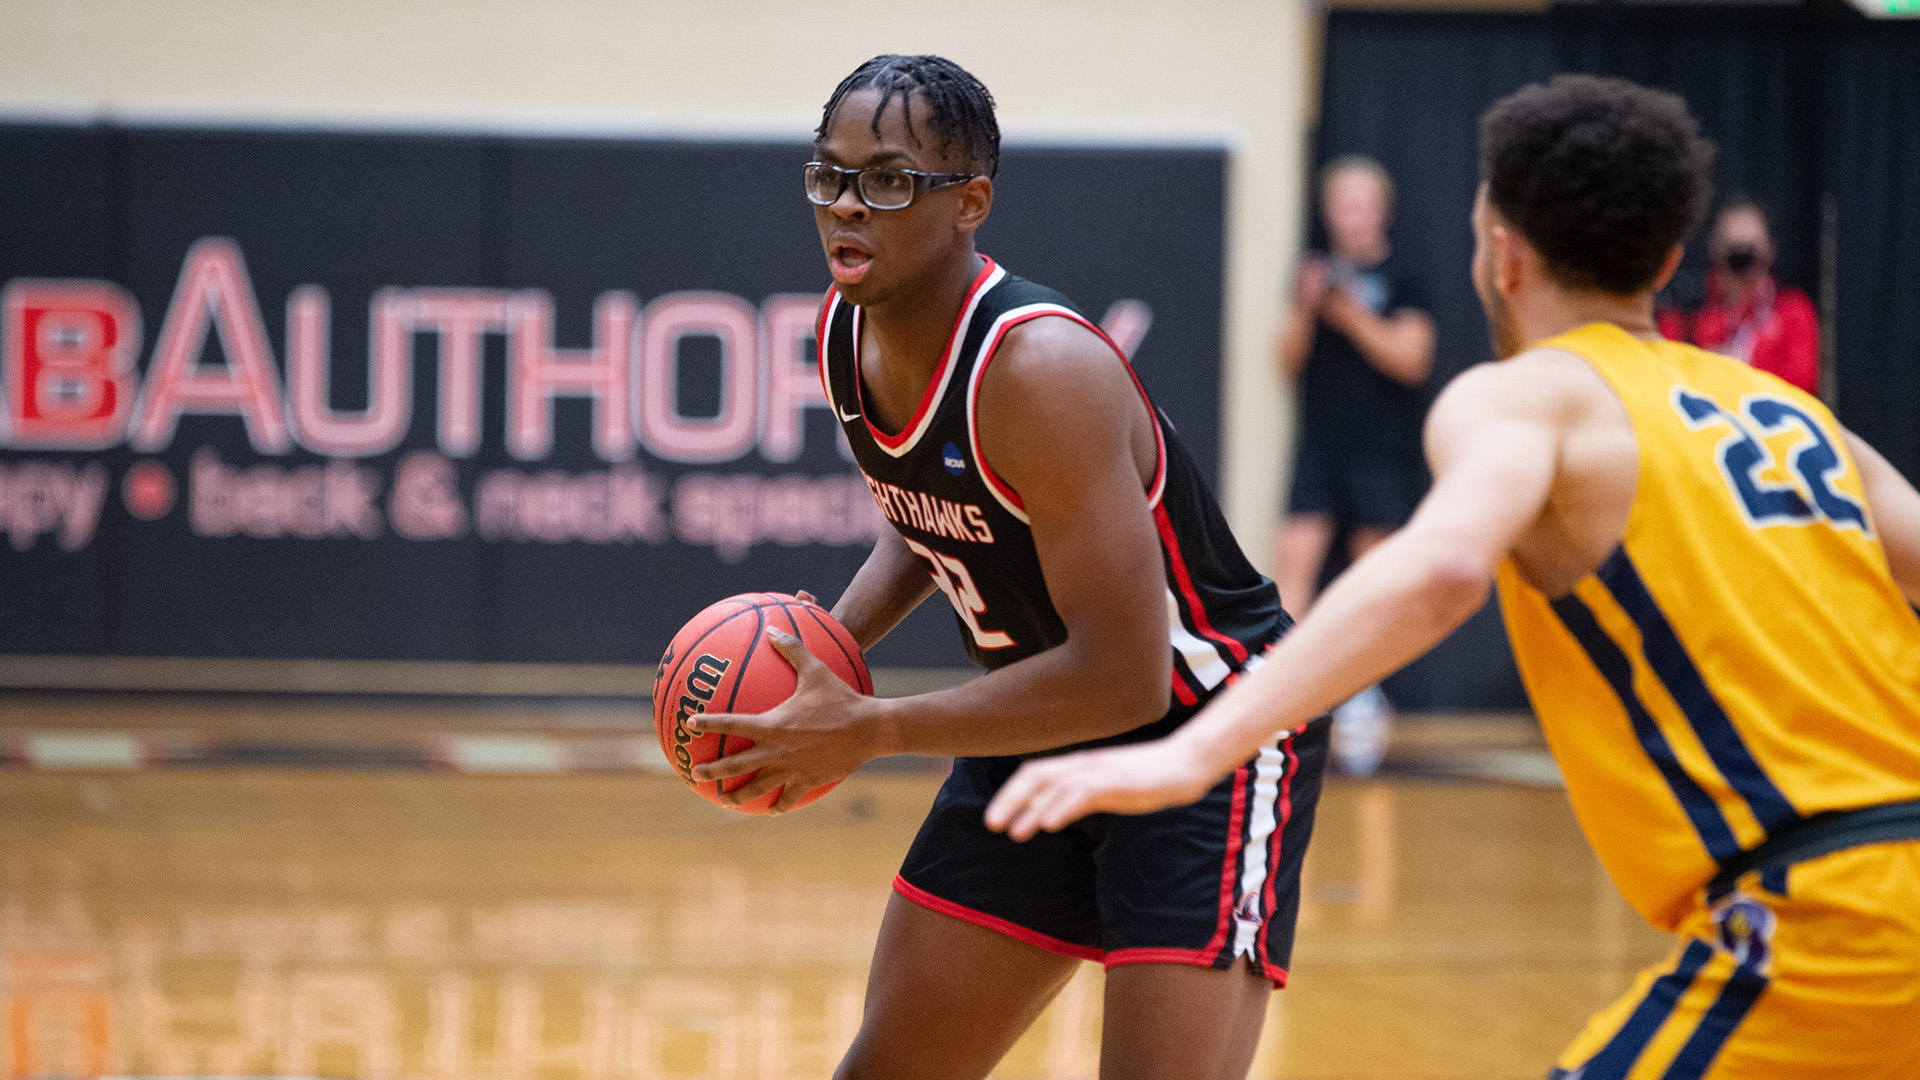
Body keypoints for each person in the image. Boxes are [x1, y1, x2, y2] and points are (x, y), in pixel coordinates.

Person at [988, 73, 1920, 1078]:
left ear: (1504, 255)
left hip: (1833, 922)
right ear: (1664, 257)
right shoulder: (1802, 421)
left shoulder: (1529, 399)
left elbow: (1440, 570)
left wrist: (1193, 753)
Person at [684, 55, 1327, 1080]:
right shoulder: (846, 332)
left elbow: (1126, 677)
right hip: (1047, 723)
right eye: (830, 175)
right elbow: (930, 515)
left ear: (968, 203)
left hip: (1209, 732)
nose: (848, 205)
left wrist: (870, 728)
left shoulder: (1042, 372)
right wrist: (831, 650)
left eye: (888, 180)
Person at [1273, 155, 1435, 775]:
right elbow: (1286, 362)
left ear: (1383, 211)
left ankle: (1364, 696)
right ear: (1328, 211)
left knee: (1376, 585)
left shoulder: (1406, 278)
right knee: (1293, 579)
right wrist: (1305, 309)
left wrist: (1353, 317)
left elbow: (1412, 359)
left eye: (1363, 201)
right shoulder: (1312, 273)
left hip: (1381, 452)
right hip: (1319, 445)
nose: (1352, 213)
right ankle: (1288, 697)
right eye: (1342, 201)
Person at [1657, 197, 1820, 395]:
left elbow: (1803, 381)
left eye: (1750, 247)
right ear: (1715, 247)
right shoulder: (1689, 310)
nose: (1742, 258)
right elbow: (1665, 369)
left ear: (1770, 248)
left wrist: (1737, 360)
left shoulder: (1792, 310)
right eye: (1733, 247)